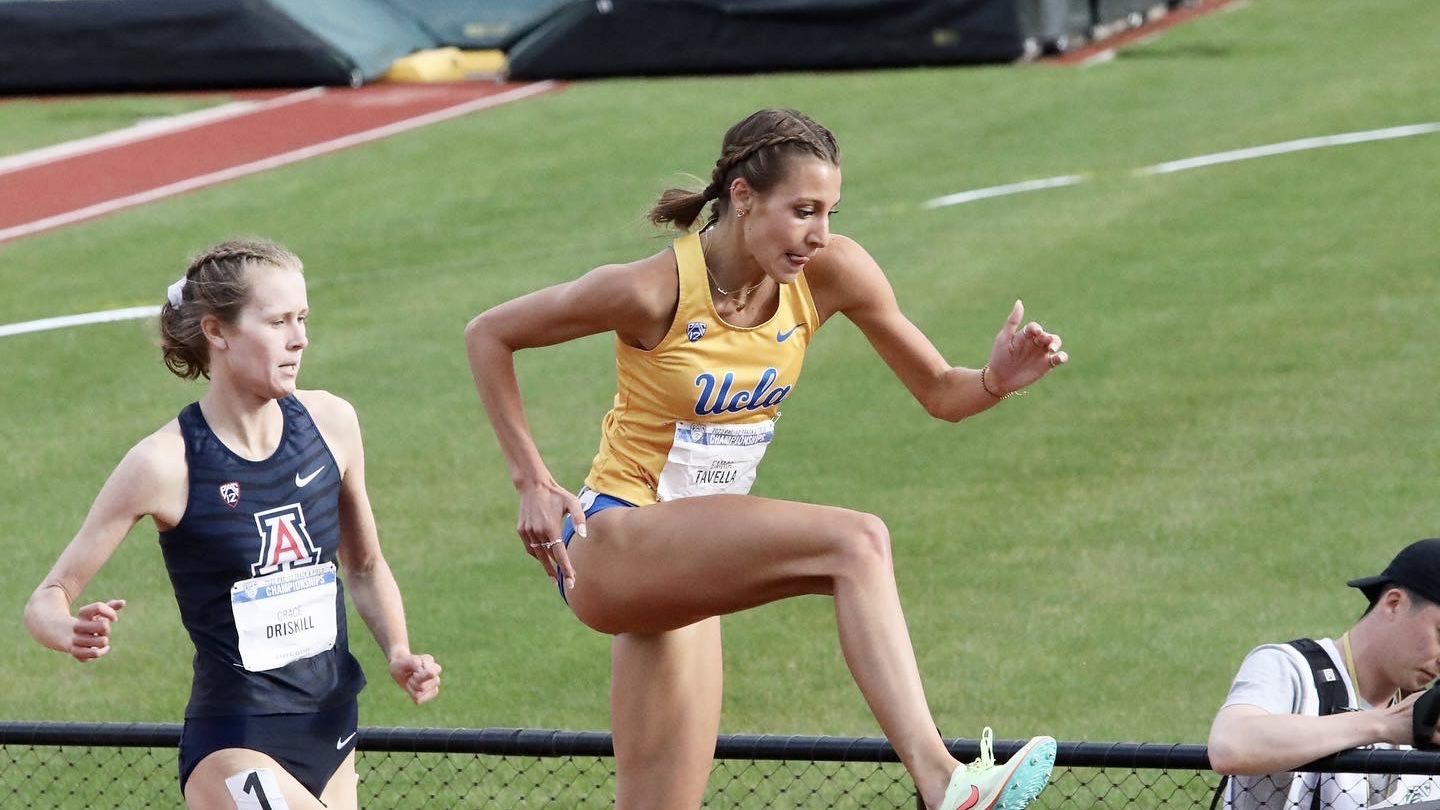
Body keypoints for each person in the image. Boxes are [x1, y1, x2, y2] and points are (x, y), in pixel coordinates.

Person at [464, 107, 1066, 810]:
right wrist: (532, 479)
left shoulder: (829, 273)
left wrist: (994, 380)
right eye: (804, 211)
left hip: (689, 562)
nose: (822, 235)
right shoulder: (649, 289)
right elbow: (489, 335)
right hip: (612, 543)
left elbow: (939, 391)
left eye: (831, 212)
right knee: (857, 542)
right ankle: (943, 782)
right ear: (743, 198)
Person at [24, 238, 442, 810]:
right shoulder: (164, 464)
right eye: (277, 322)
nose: (299, 339)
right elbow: (47, 597)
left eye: (302, 318)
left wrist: (398, 649)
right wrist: (67, 629)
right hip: (235, 742)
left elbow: (364, 566)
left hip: (332, 727)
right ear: (217, 332)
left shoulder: (332, 425)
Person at [1208, 538, 1440, 810]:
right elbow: (1230, 745)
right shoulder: (1290, 668)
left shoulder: (1426, 715)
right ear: (1393, 604)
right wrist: (1385, 724)